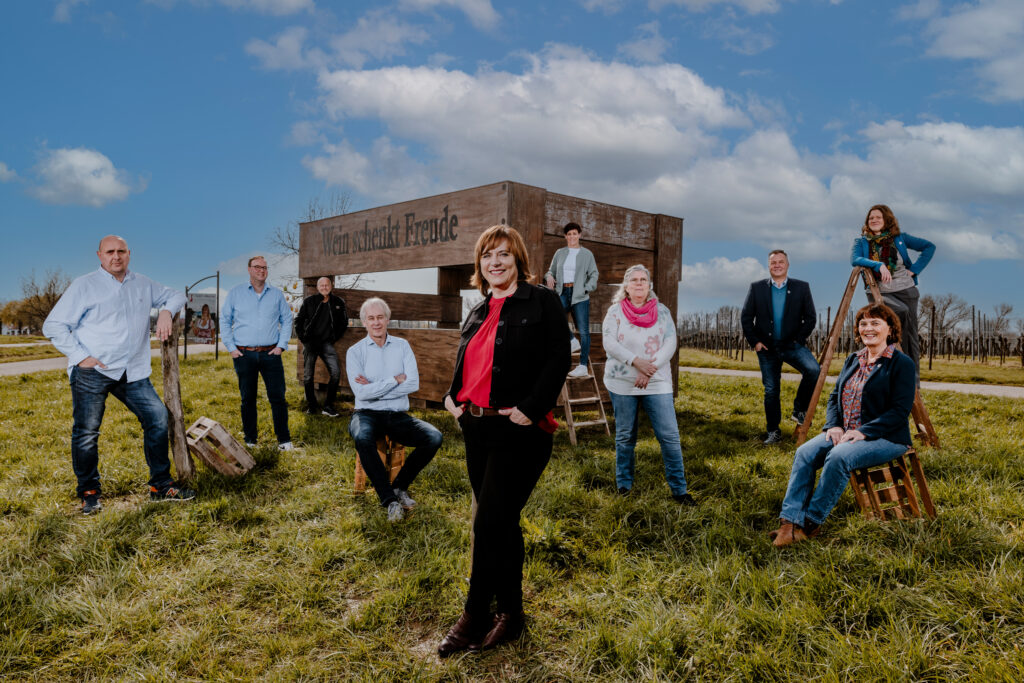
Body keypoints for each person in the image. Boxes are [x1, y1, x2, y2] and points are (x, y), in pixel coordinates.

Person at [438, 225, 570, 656]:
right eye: (488, 256)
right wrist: (452, 396)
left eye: (504, 255)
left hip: (519, 430)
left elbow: (559, 357)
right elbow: (467, 363)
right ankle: (511, 614)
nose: (495, 262)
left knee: (488, 522)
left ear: (518, 261)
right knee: (502, 523)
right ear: (480, 265)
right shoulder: (477, 310)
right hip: (477, 429)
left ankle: (473, 615)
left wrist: (531, 407)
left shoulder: (543, 301)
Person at [43, 235, 195, 514]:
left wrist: (164, 312)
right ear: (99, 255)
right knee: (87, 432)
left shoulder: (143, 283)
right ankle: (89, 492)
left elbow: (176, 295)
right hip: (93, 372)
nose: (116, 256)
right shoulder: (84, 285)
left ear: (129, 254)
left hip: (133, 371)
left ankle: (160, 486)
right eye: (110, 252)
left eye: (121, 251)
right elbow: (53, 325)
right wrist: (81, 358)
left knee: (158, 419)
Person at [771, 303, 916, 547]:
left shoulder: (901, 364)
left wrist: (862, 432)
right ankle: (789, 522)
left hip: (887, 438)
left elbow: (899, 411)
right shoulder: (854, 359)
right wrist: (833, 425)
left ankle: (810, 523)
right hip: (846, 432)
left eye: (875, 323)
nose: (868, 328)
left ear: (890, 330)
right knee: (804, 452)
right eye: (863, 323)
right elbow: (834, 397)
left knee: (838, 457)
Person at [602, 265, 694, 504]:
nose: (640, 283)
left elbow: (670, 342)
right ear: (626, 285)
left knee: (670, 436)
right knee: (625, 436)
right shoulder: (615, 311)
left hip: (657, 380)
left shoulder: (662, 311)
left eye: (644, 280)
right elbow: (609, 343)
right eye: (634, 280)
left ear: (649, 285)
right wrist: (636, 362)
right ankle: (624, 486)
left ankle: (679, 491)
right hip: (622, 380)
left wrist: (648, 370)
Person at [346, 297, 443, 522]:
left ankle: (399, 487)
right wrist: (394, 381)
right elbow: (361, 394)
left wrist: (374, 388)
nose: (376, 322)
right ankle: (389, 500)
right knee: (362, 437)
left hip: (397, 415)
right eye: (371, 318)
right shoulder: (355, 351)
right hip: (366, 414)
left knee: (434, 437)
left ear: (387, 319)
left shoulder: (402, 346)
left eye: (380, 317)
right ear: (364, 323)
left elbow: (413, 384)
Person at [740, 250, 820, 444]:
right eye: (773, 262)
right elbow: (746, 317)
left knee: (813, 370)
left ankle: (799, 409)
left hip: (791, 344)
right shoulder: (757, 288)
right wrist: (755, 342)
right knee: (771, 390)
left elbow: (810, 317)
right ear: (768, 266)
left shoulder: (801, 287)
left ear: (787, 264)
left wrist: (798, 339)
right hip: (766, 348)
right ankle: (773, 432)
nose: (777, 265)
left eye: (780, 262)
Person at [851, 204, 935, 377]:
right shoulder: (862, 242)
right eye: (871, 218)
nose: (874, 220)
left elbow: (929, 247)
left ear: (887, 220)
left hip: (906, 290)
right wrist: (878, 264)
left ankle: (913, 382)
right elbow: (855, 259)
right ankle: (884, 373)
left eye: (878, 217)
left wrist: (915, 270)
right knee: (890, 325)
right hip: (879, 292)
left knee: (910, 337)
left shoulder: (899, 238)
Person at [222, 256, 295, 451]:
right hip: (244, 354)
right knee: (248, 398)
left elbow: (287, 320)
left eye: (264, 268)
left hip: (271, 353)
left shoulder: (277, 294)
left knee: (278, 397)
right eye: (257, 267)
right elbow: (225, 320)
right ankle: (250, 440)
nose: (261, 271)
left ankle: (284, 440)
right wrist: (231, 348)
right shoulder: (236, 293)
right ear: (249, 269)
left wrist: (281, 345)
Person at [544, 221, 599, 378]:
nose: (572, 236)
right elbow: (551, 271)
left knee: (584, 331)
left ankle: (582, 366)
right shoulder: (560, 253)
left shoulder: (587, 254)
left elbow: (594, 274)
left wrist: (587, 287)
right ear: (565, 236)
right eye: (569, 234)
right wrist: (549, 276)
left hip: (580, 294)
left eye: (575, 234)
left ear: (579, 235)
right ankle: (572, 341)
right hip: (562, 291)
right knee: (554, 318)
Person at [295, 276, 348, 417]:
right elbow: (298, 321)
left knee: (336, 373)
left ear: (331, 286)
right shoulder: (309, 302)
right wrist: (304, 339)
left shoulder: (338, 302)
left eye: (327, 285)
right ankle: (312, 406)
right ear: (318, 287)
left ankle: (328, 406)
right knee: (308, 376)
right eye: (321, 285)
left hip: (326, 344)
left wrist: (334, 338)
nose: (324, 287)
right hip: (311, 343)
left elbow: (344, 323)